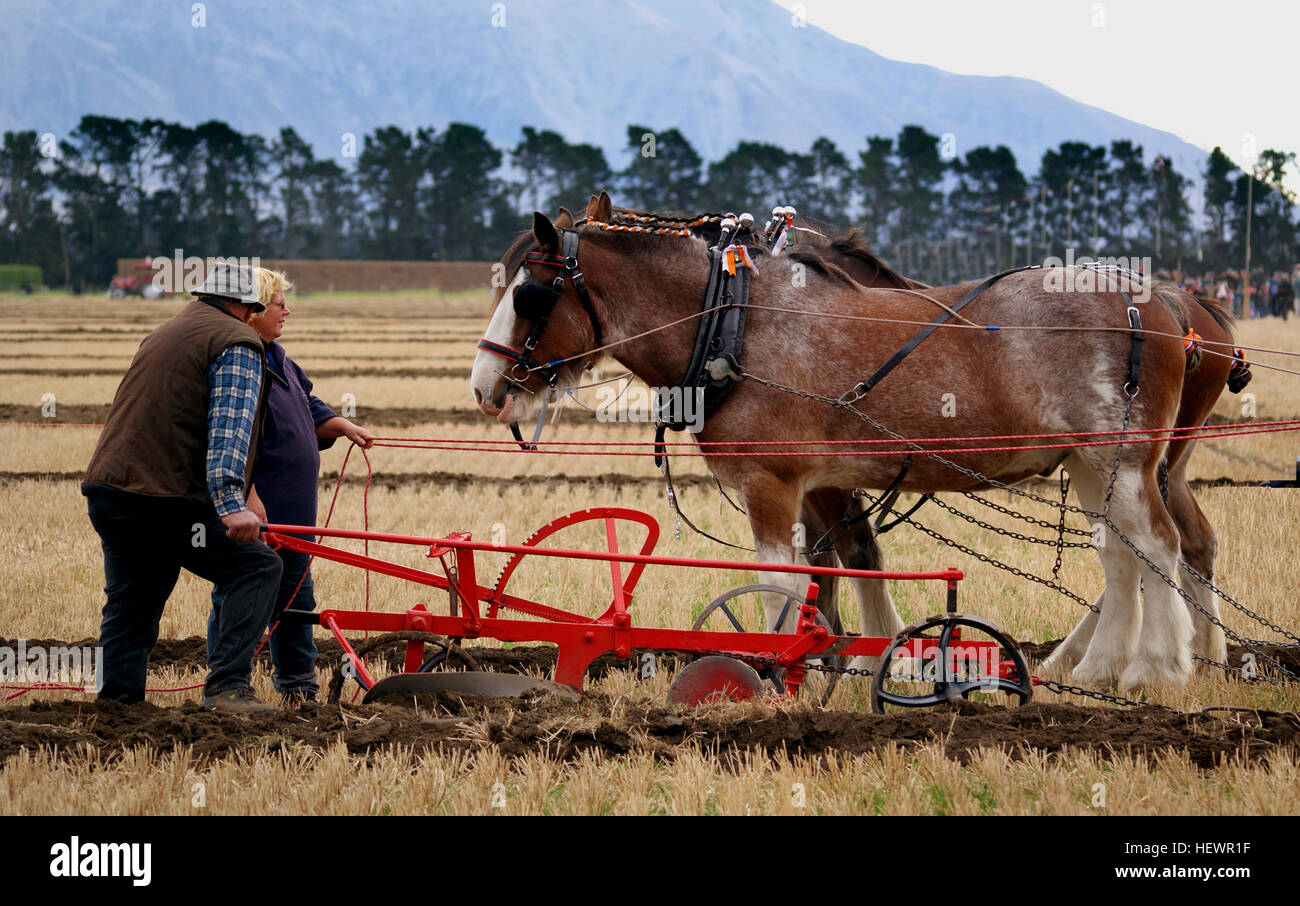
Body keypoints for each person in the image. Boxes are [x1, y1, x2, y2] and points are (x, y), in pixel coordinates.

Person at [83, 262, 282, 713]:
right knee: (256, 567)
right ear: (247, 305)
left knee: (133, 598)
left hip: (112, 491)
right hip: (163, 497)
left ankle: (118, 705)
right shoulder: (237, 341)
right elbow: (228, 429)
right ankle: (228, 689)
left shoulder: (164, 332)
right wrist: (232, 504)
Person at [206, 268, 374, 706]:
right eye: (279, 303)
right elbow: (231, 438)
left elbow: (310, 406)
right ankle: (227, 681)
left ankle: (298, 686)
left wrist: (343, 426)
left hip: (297, 515)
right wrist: (248, 493)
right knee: (241, 591)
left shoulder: (280, 358)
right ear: (253, 311)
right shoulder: (243, 363)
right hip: (257, 513)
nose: (287, 310)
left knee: (298, 596)